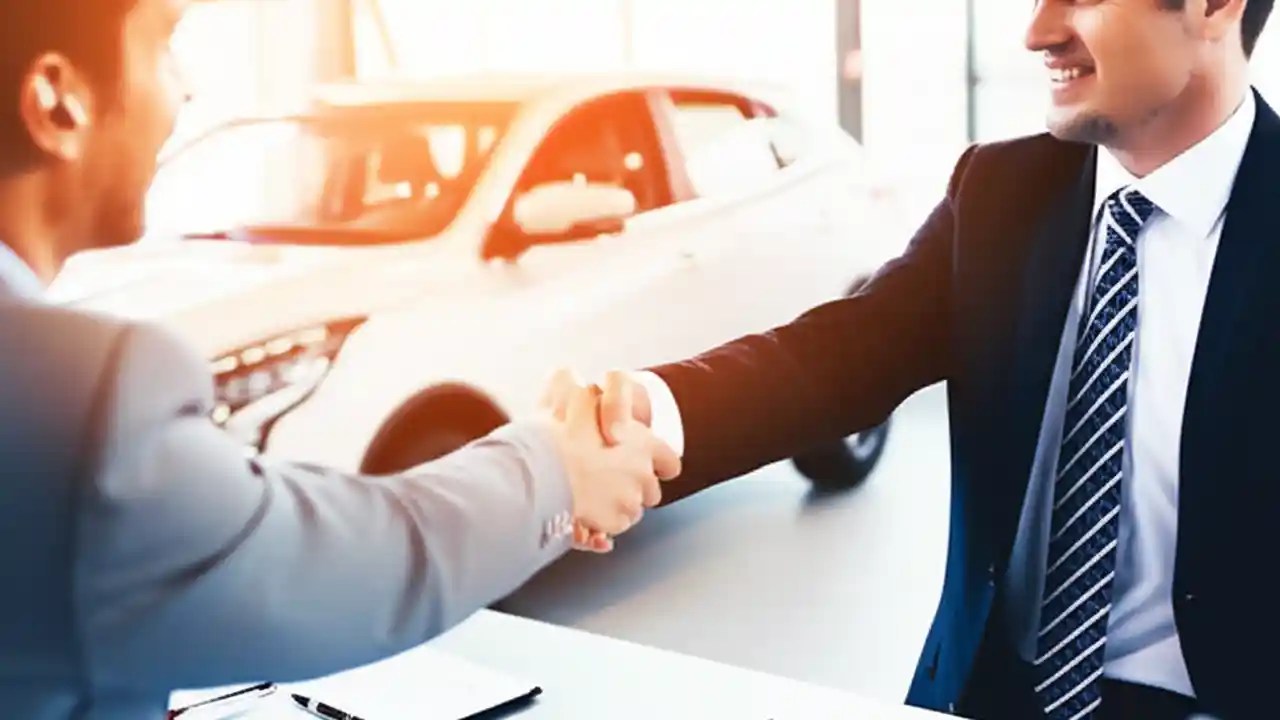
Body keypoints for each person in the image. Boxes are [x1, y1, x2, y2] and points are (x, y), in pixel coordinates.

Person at [555, 0, 1278, 717]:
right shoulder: (1001, 191)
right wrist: (648, 415)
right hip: (987, 692)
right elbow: (837, 357)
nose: (1037, 32)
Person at [0, 1, 678, 718]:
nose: (189, 88)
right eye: (166, 46)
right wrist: (558, 469)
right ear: (55, 101)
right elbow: (334, 564)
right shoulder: (75, 395)